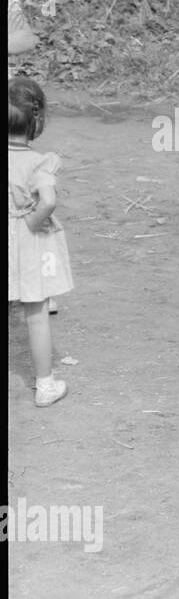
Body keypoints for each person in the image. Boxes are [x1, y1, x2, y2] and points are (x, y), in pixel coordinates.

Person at [8, 78, 73, 407]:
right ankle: (45, 385)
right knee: (35, 314)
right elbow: (47, 201)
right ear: (37, 121)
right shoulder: (38, 163)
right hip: (27, 242)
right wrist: (32, 222)